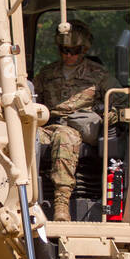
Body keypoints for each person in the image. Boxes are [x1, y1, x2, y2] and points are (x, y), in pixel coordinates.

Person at [34, 21, 117, 220]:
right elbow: (32, 97)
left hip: (78, 128)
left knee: (64, 137)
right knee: (24, 137)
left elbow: (121, 100)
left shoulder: (98, 75)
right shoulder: (47, 74)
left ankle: (61, 205)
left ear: (85, 49)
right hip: (49, 125)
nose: (69, 55)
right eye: (64, 50)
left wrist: (107, 115)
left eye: (75, 50)